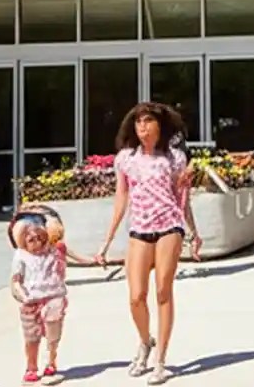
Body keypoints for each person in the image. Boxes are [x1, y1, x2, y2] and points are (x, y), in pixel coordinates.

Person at [95, 102, 202, 385]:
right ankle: (146, 341)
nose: (142, 127)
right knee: (136, 296)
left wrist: (193, 232)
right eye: (138, 122)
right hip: (139, 229)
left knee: (163, 291)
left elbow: (182, 198)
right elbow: (121, 198)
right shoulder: (125, 159)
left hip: (169, 227)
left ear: (159, 126)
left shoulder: (175, 158)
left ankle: (161, 361)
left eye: (147, 121)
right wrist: (107, 240)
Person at [9, 206, 94, 383]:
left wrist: (93, 260)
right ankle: (31, 366)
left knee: (52, 333)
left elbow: (74, 254)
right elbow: (15, 280)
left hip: (53, 295)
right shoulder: (20, 255)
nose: (35, 241)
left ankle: (51, 362)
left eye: (38, 237)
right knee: (31, 337)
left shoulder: (55, 249)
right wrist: (22, 295)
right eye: (30, 239)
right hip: (31, 300)